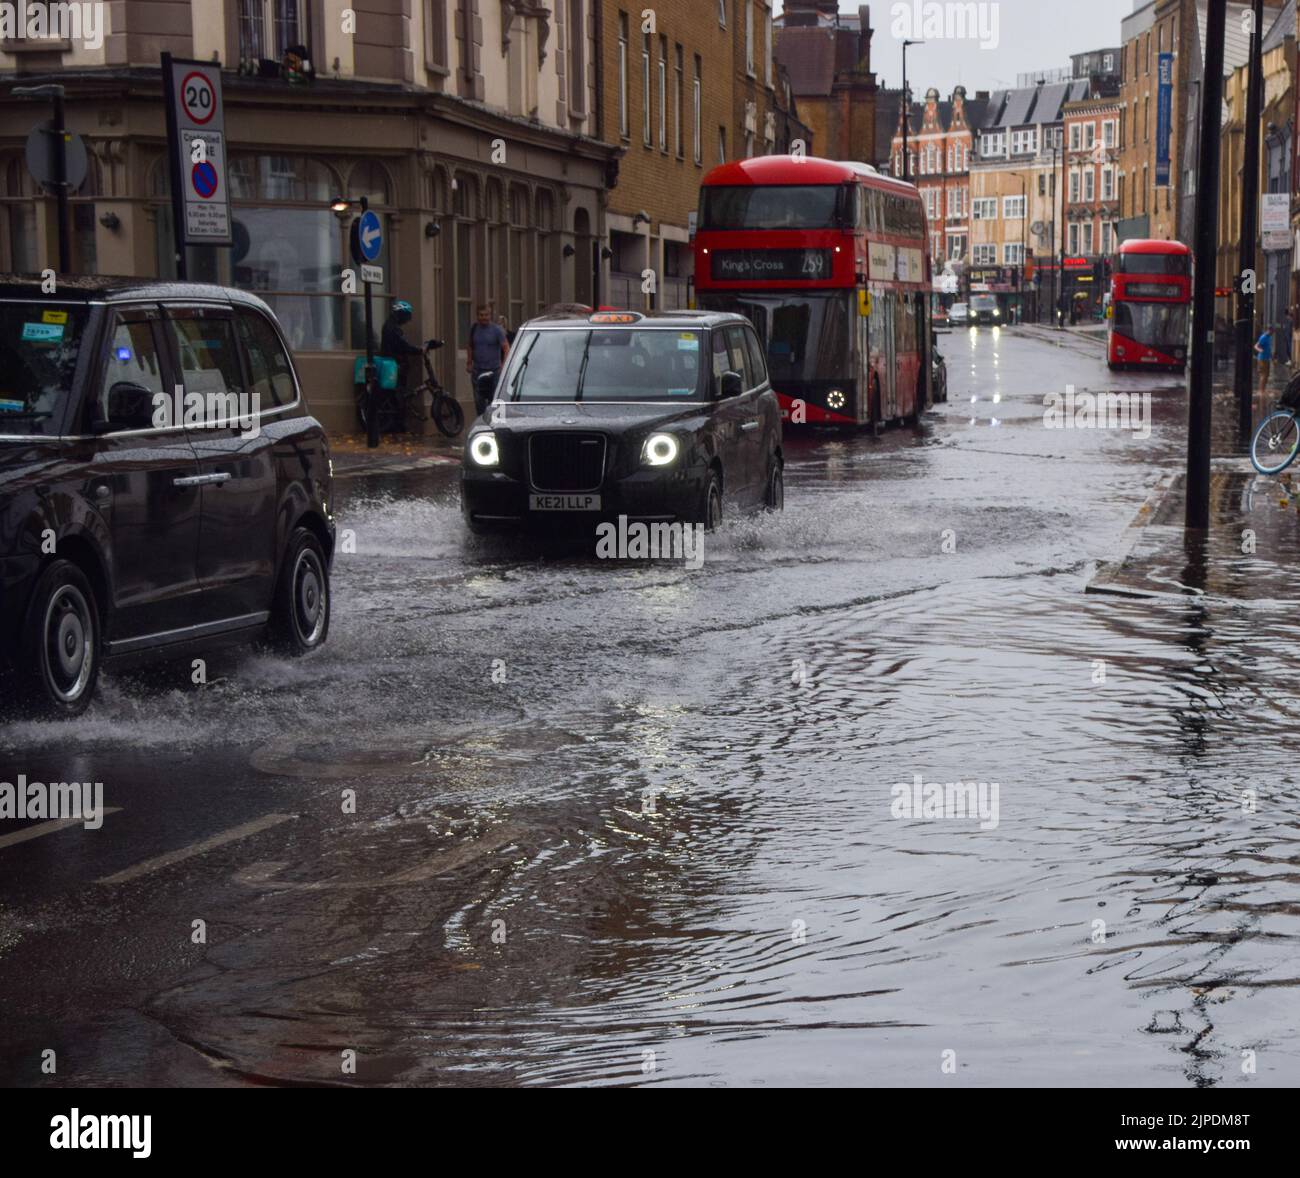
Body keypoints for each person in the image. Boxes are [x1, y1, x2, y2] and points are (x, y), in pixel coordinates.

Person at [466, 303, 509, 416]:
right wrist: (469, 362)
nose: (484, 317)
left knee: (495, 399)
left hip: (494, 371)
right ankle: (481, 422)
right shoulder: (474, 329)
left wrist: (504, 365)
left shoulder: (497, 330)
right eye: (481, 315)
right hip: (478, 371)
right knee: (479, 400)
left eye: (486, 315)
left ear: (490, 316)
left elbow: (506, 347)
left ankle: (497, 423)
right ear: (477, 316)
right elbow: (470, 346)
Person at [1255, 325, 1274, 393]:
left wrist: (1272, 357)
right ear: (1268, 330)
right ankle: (1261, 391)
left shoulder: (1269, 337)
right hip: (1262, 359)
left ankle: (1263, 389)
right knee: (1263, 375)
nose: (1272, 333)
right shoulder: (1263, 337)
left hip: (1267, 359)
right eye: (1271, 331)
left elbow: (1269, 348)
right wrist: (1260, 350)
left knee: (1266, 375)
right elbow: (1256, 346)